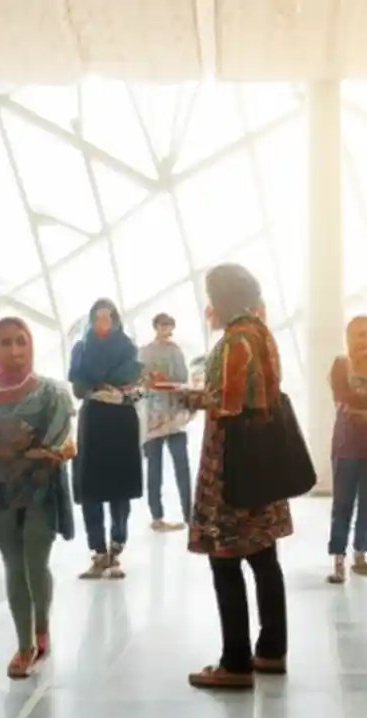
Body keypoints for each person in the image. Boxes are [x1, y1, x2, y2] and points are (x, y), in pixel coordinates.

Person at [180, 264, 292, 690]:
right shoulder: (263, 334)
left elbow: (226, 403)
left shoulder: (235, 341)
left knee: (224, 558)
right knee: (264, 557)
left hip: (230, 464)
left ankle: (235, 662)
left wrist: (189, 396)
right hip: (263, 459)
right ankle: (271, 650)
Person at [0, 317, 76, 679]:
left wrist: (47, 451)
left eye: (21, 341)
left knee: (35, 562)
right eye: (5, 343)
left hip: (40, 491)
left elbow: (64, 441)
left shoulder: (51, 393)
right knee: (13, 566)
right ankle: (24, 644)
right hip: (0, 492)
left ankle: (41, 627)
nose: (14, 351)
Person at [69, 299, 144, 579]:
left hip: (121, 420)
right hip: (93, 421)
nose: (103, 323)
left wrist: (102, 385)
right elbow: (78, 386)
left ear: (115, 320)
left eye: (108, 317)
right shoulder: (82, 349)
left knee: (119, 485)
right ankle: (97, 550)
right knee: (91, 486)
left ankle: (117, 544)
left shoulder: (127, 348)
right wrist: (101, 386)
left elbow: (132, 380)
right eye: (98, 317)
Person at [325, 315, 367, 584]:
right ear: (348, 338)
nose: (364, 340)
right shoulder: (341, 365)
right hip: (346, 446)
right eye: (358, 334)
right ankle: (338, 558)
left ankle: (360, 555)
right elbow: (344, 399)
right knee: (342, 504)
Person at [140, 312, 192, 532]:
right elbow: (140, 378)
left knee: (182, 466)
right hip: (153, 416)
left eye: (169, 325)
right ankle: (157, 516)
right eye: (163, 325)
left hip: (174, 414)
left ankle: (190, 514)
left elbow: (182, 378)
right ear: (156, 327)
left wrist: (165, 381)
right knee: (154, 468)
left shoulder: (176, 351)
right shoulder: (144, 351)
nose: (166, 329)